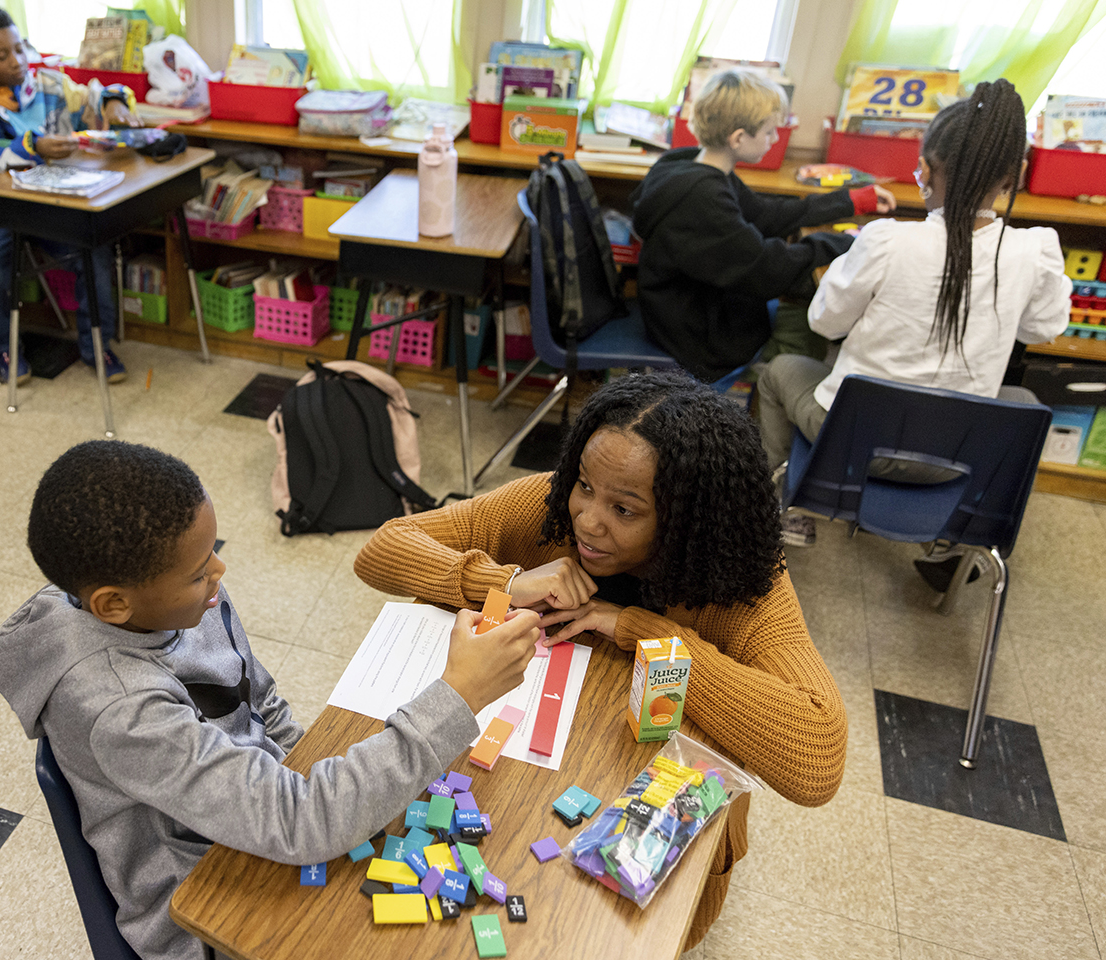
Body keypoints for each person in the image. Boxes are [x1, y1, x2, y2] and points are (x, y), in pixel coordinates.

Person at [0, 441, 542, 960]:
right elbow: (300, 823)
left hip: (266, 822)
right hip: (198, 914)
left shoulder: (177, 595)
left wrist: (314, 777)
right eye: (200, 573)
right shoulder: (120, 710)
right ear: (113, 606)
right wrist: (460, 694)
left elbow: (257, 698)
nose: (219, 573)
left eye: (212, 554)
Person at [354, 370, 847, 951]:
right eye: (584, 486)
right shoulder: (552, 507)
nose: (589, 519)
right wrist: (504, 581)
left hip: (645, 812)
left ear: (688, 520)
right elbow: (383, 547)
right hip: (535, 770)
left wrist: (641, 629)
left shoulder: (742, 579)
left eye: (625, 509)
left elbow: (819, 758)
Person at [756, 79, 1072, 549]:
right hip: (959, 455)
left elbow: (825, 322)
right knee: (1021, 402)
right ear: (1015, 177)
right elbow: (1043, 328)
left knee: (777, 371)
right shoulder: (1035, 249)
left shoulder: (887, 239)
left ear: (922, 170)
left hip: (854, 445)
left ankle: (772, 515)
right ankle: (953, 550)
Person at [631, 69, 897, 384]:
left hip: (689, 303)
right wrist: (848, 243)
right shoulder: (702, 196)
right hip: (695, 328)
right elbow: (766, 270)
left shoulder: (691, 163)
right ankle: (764, 396)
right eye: (770, 132)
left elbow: (764, 214)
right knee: (806, 320)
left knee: (803, 302)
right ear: (739, 138)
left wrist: (849, 201)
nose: (774, 140)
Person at [0, 7, 141, 384]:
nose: (17, 61)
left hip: (52, 203)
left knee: (94, 250)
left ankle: (96, 345)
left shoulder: (50, 84)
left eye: (20, 48)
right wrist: (32, 145)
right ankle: (5, 349)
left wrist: (113, 101)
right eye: (1, 56)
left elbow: (95, 93)